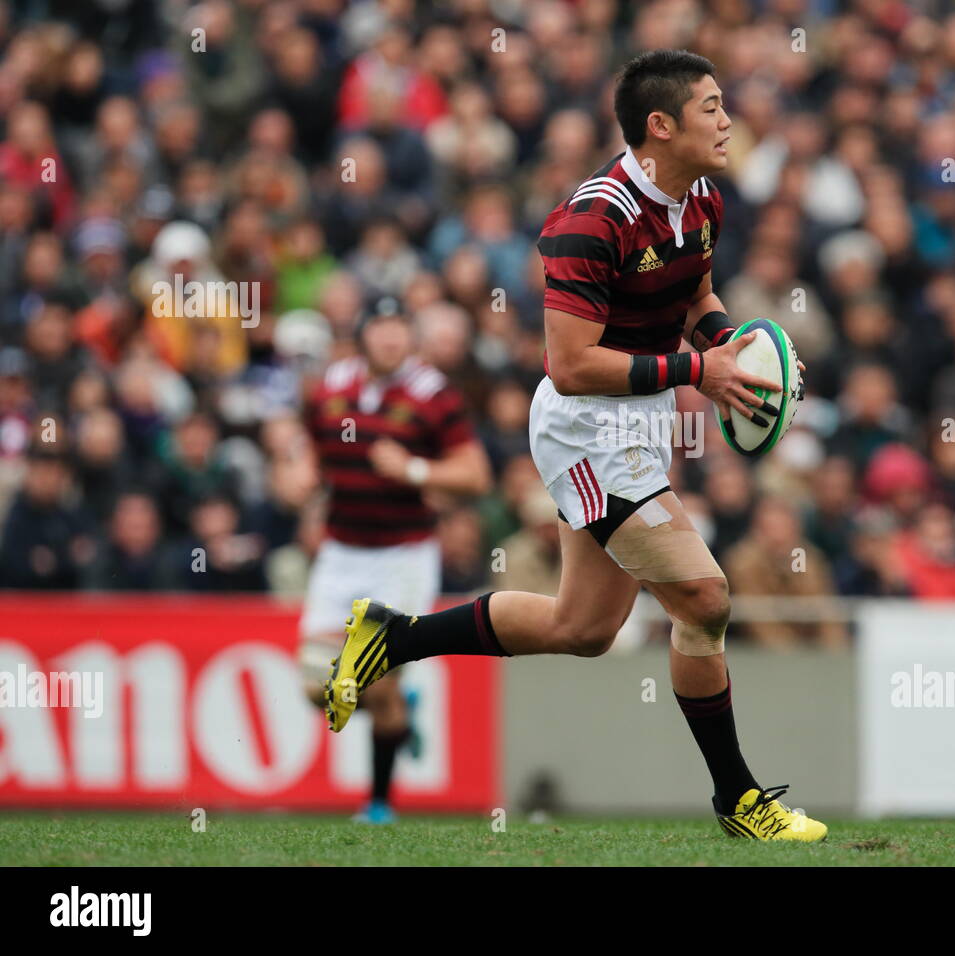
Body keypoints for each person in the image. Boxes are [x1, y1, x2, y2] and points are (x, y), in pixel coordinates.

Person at [323, 51, 825, 841]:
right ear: (660, 126)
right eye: (713, 107)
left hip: (643, 418)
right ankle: (740, 800)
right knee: (705, 597)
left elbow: (695, 297)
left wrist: (728, 347)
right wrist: (702, 371)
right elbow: (571, 363)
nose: (729, 121)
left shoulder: (701, 201)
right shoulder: (592, 218)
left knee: (581, 630)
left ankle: (393, 636)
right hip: (585, 428)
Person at [301, 295, 491, 823]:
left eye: (397, 327)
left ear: (410, 336)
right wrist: (302, 481)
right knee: (314, 685)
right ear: (362, 335)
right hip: (341, 552)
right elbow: (312, 455)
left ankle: (379, 804)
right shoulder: (331, 388)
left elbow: (475, 475)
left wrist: (412, 470)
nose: (388, 337)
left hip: (402, 555)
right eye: (379, 326)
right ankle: (400, 717)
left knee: (376, 680)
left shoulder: (433, 395)